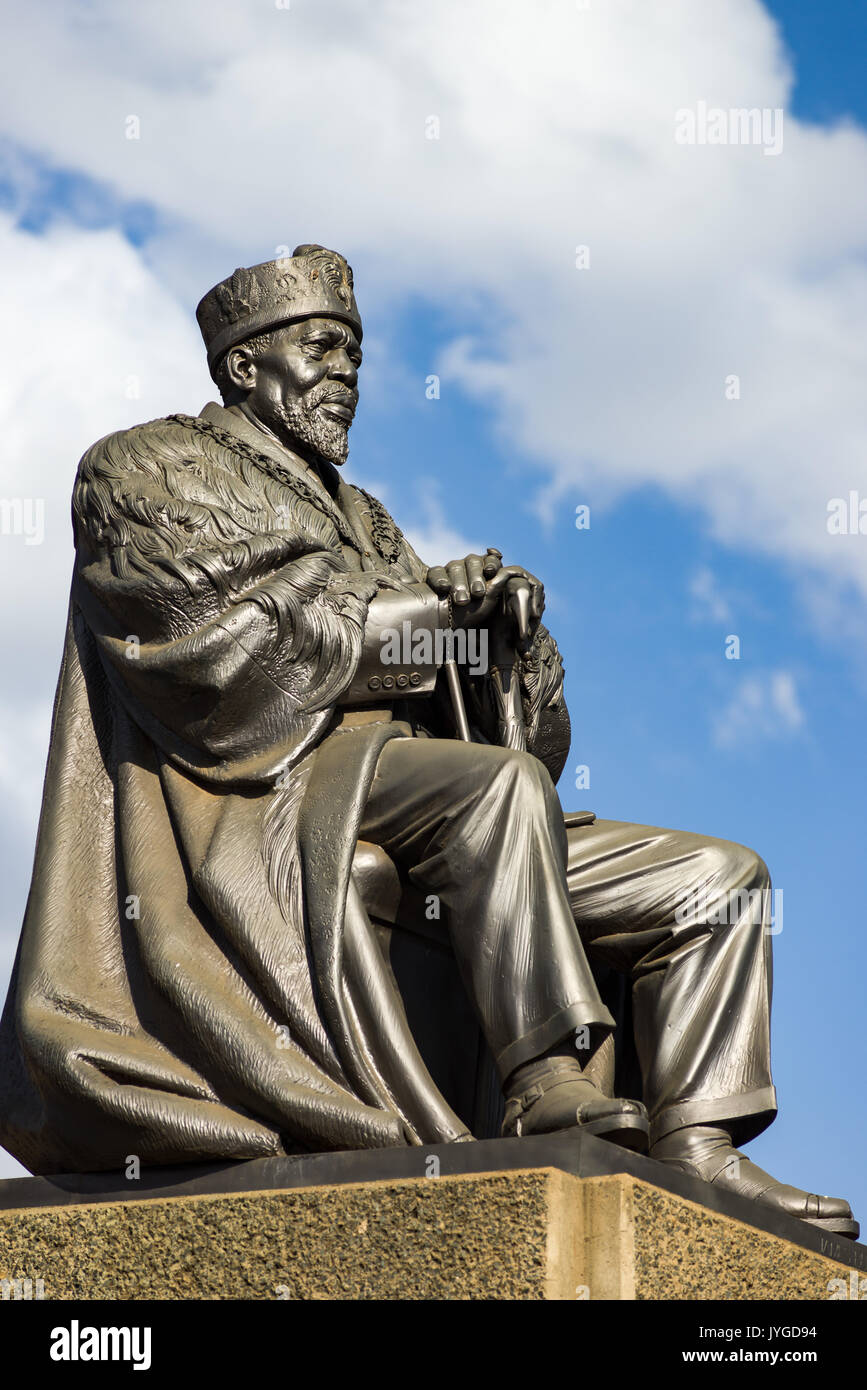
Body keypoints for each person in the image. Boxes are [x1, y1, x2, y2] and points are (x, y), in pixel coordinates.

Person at [0, 245, 855, 1238]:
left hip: (434, 800)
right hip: (264, 800)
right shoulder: (145, 467)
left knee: (718, 877)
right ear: (245, 364)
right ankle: (544, 1076)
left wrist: (502, 635)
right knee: (492, 794)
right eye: (325, 349)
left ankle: (701, 1142)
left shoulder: (366, 518)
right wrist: (424, 616)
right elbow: (231, 648)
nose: (348, 378)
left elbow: (526, 747)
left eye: (357, 358)